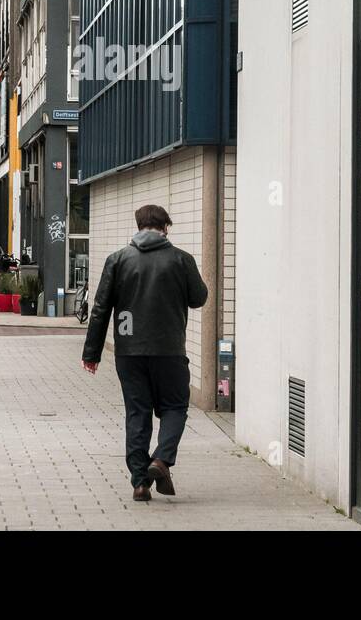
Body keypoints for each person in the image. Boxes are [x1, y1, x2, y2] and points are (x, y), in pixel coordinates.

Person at [82, 204, 208, 502]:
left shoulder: (118, 260)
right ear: (166, 227)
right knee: (175, 408)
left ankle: (140, 483)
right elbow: (199, 298)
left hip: (129, 353)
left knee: (137, 413)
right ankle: (161, 461)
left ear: (138, 226)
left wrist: (92, 353)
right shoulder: (181, 259)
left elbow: (100, 309)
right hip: (169, 352)